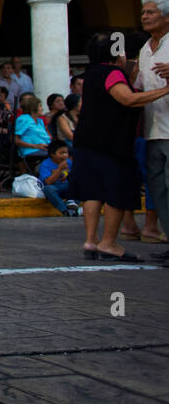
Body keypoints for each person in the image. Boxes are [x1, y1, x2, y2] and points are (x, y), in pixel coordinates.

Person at [68, 32, 169, 262]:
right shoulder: (112, 73)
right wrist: (164, 90)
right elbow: (127, 99)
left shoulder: (91, 75)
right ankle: (109, 243)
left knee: (91, 192)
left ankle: (91, 240)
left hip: (86, 142)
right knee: (115, 191)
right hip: (111, 144)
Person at [137, 0, 169, 253]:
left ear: (167, 16)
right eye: (143, 12)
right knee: (158, 189)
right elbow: (138, 86)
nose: (144, 16)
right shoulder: (145, 49)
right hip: (153, 130)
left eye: (151, 12)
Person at [38, 141, 78, 216]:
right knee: (48, 189)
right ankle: (65, 210)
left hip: (66, 186)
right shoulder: (45, 164)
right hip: (54, 187)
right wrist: (59, 169)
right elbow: (48, 182)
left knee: (79, 185)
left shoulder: (69, 162)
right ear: (53, 154)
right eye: (61, 153)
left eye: (66, 153)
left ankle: (72, 204)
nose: (65, 155)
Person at [13, 93, 50, 175]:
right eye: (40, 106)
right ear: (33, 108)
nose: (42, 109)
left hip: (44, 148)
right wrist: (36, 146)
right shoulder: (24, 119)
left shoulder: (39, 121)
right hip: (30, 150)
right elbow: (15, 140)